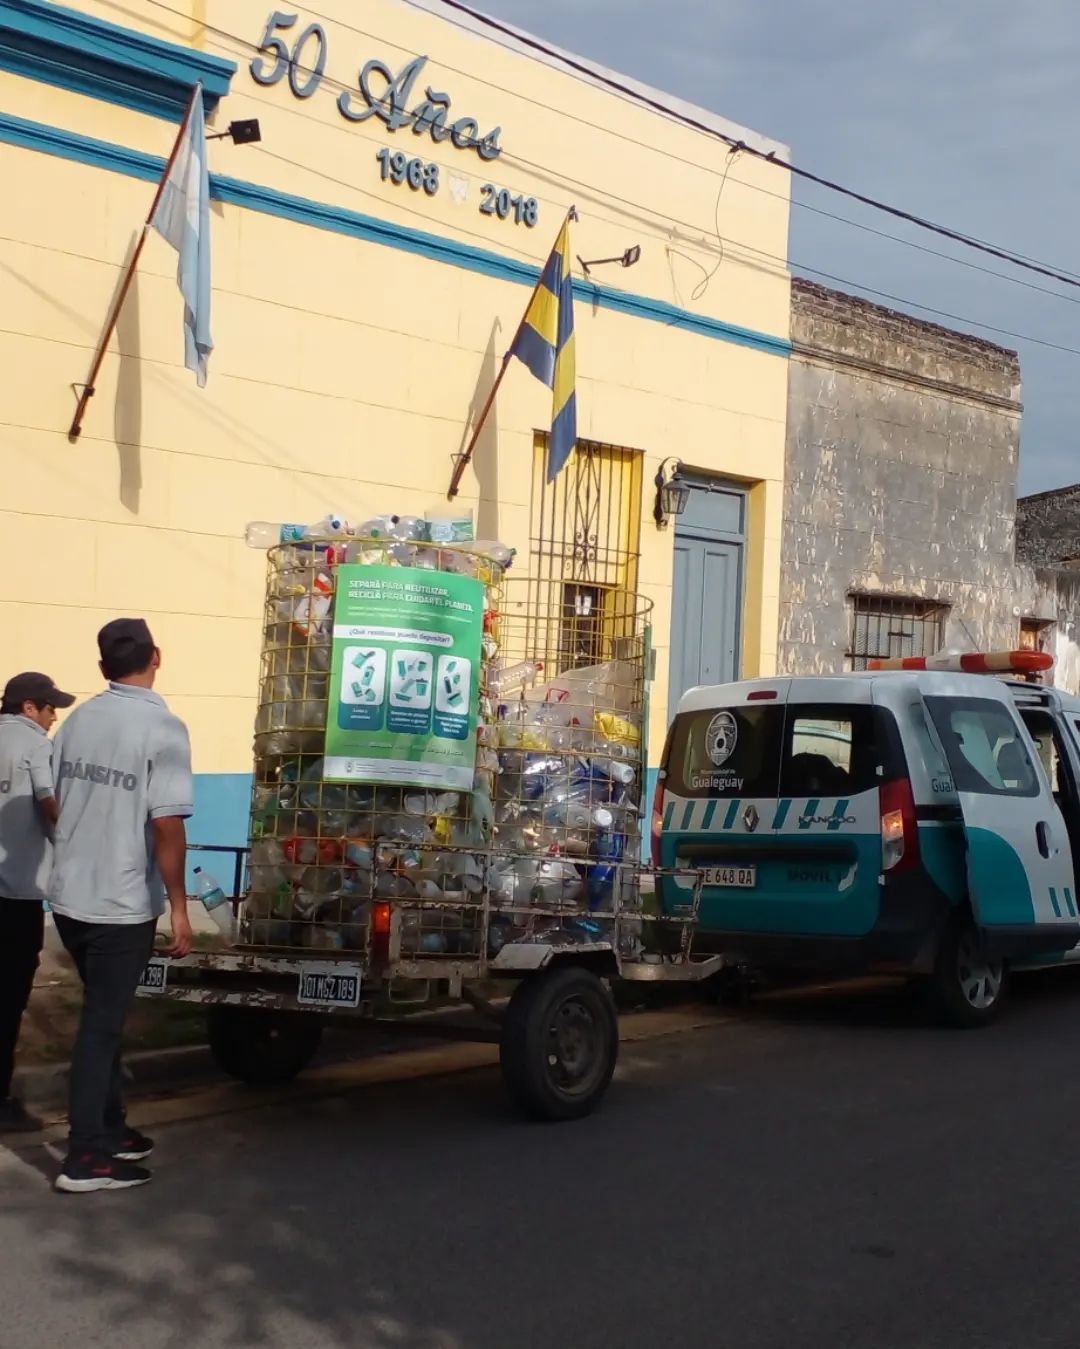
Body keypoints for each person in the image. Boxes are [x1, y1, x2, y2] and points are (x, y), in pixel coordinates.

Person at [49, 619, 194, 1194]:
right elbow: (167, 825)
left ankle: (110, 1128)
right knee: (101, 1029)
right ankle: (85, 1157)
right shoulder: (163, 728)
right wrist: (179, 907)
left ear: (103, 667)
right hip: (120, 903)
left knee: (102, 1020)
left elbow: (55, 800)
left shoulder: (78, 720)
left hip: (70, 897)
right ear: (157, 655)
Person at [0, 673, 75, 1132]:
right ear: (29, 707)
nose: (53, 717)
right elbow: (51, 805)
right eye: (50, 708)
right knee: (7, 1000)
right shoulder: (36, 746)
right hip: (16, 896)